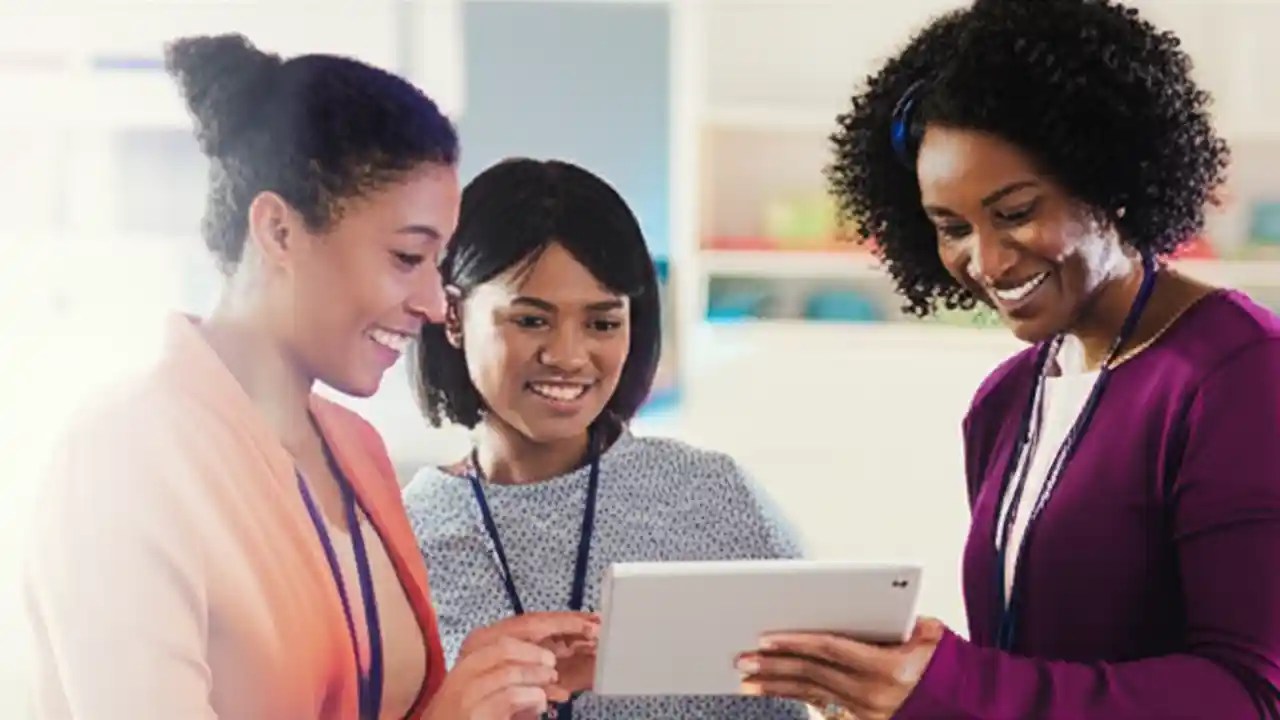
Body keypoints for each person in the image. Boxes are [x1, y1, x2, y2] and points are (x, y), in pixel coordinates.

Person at [22, 34, 595, 720]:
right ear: (279, 231)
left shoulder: (355, 449)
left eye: (439, 265)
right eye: (408, 256)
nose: (436, 304)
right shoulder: (122, 462)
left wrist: (486, 679)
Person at [734, 1, 1280, 718]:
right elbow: (1035, 662)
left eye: (1017, 211)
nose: (984, 261)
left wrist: (952, 687)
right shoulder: (1008, 400)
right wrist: (894, 681)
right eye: (951, 227)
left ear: (1110, 179)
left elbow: (1250, 694)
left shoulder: (1242, 377)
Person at [403, 157, 810, 719]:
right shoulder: (401, 536)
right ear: (452, 315)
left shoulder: (714, 498)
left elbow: (818, 694)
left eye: (602, 323)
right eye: (531, 320)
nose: (568, 357)